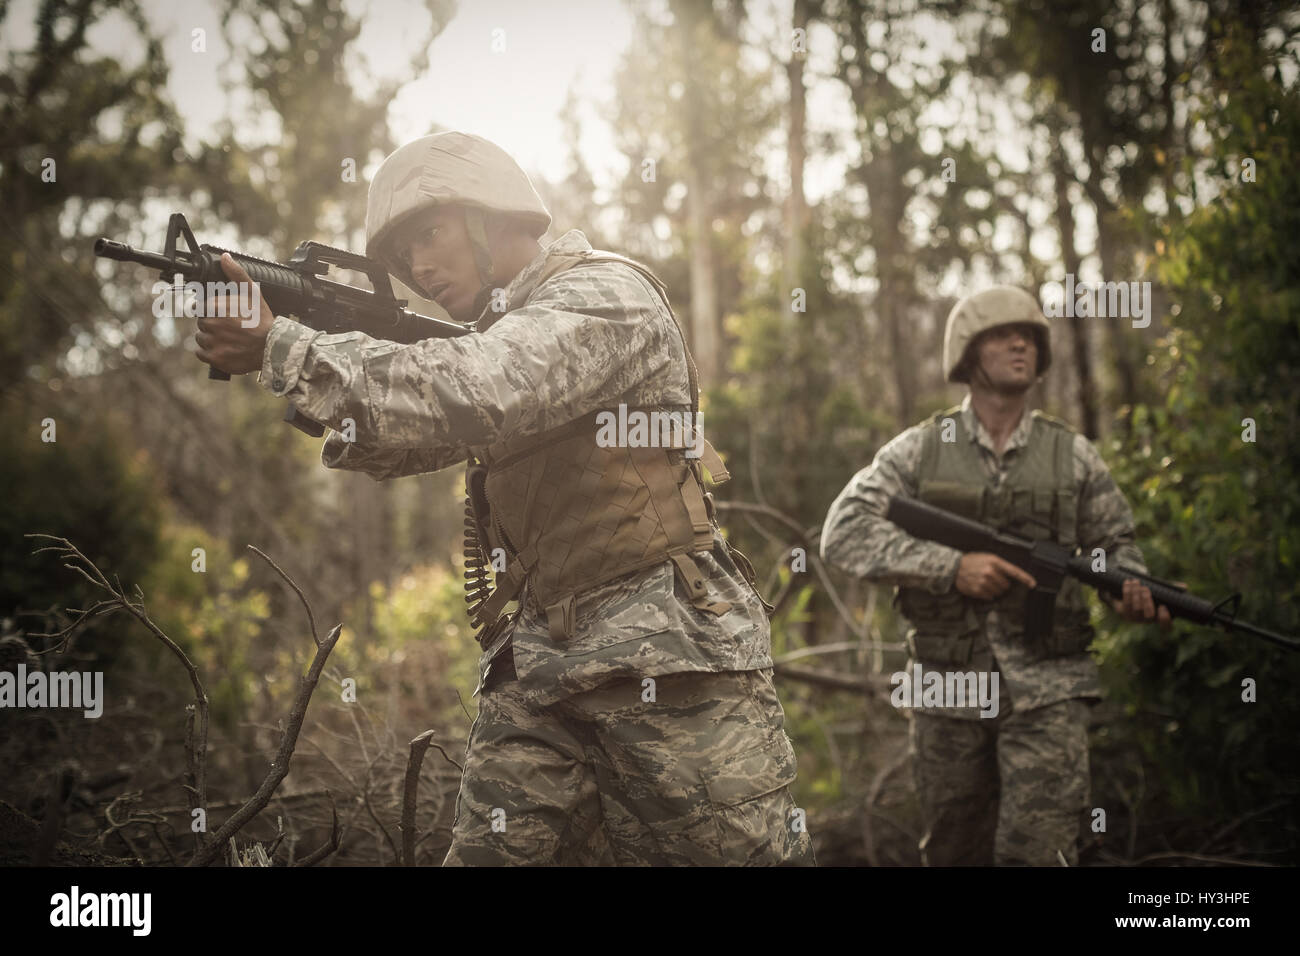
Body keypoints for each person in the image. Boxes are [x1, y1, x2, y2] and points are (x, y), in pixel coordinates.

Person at [192, 131, 813, 866]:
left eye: (429, 233)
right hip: (541, 665)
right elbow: (406, 443)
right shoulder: (498, 332)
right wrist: (296, 358)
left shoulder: (604, 294)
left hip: (668, 656)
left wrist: (284, 348)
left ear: (495, 214)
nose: (418, 267)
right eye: (399, 258)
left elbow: (480, 390)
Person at [819, 286, 1169, 866]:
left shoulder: (1073, 457)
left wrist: (1129, 590)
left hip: (1049, 689)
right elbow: (842, 531)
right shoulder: (921, 450)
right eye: (1004, 335)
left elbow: (1115, 546)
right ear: (968, 353)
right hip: (946, 685)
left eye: (1030, 336)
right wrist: (950, 567)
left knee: (1041, 854)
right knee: (955, 850)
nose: (1021, 344)